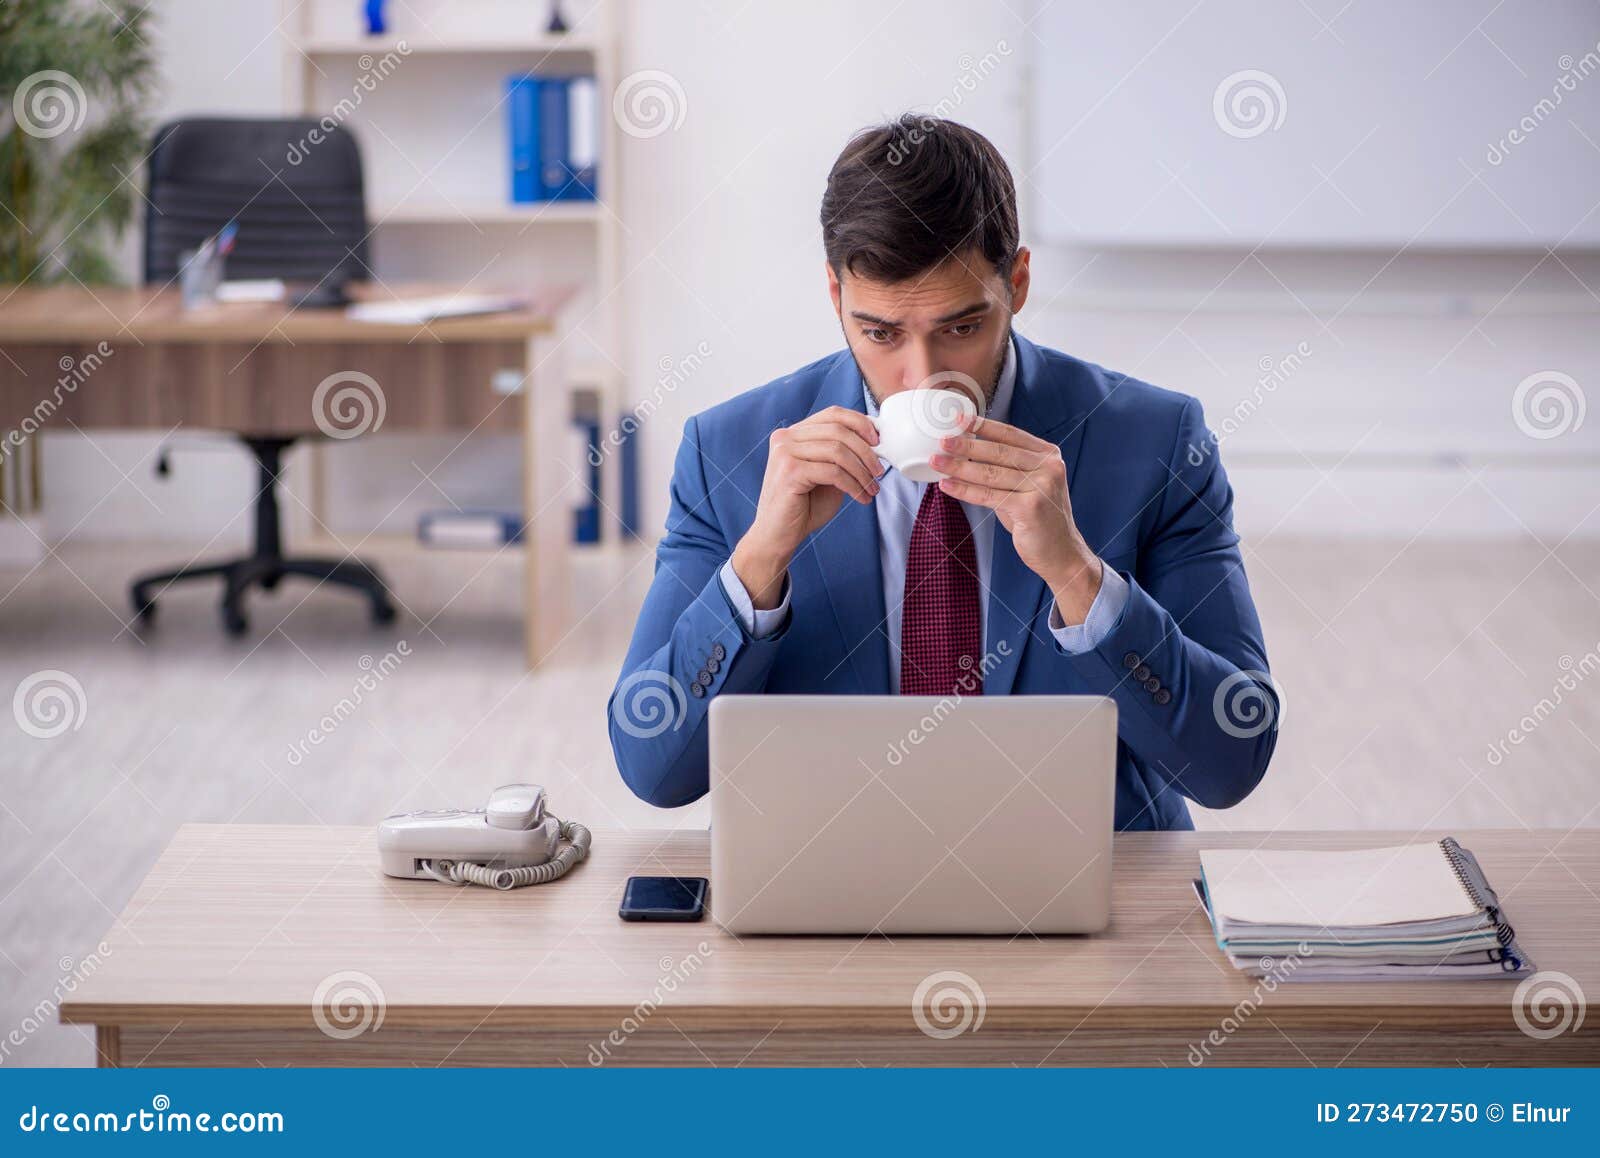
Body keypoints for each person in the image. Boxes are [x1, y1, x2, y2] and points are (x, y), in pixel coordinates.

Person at [608, 114, 1278, 830]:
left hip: (1087, 892)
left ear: (1016, 284)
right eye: (881, 333)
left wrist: (1080, 579)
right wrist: (758, 563)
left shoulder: (1158, 441)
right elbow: (655, 769)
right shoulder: (728, 452)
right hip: (825, 885)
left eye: (960, 328)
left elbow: (1228, 762)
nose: (920, 378)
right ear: (836, 298)